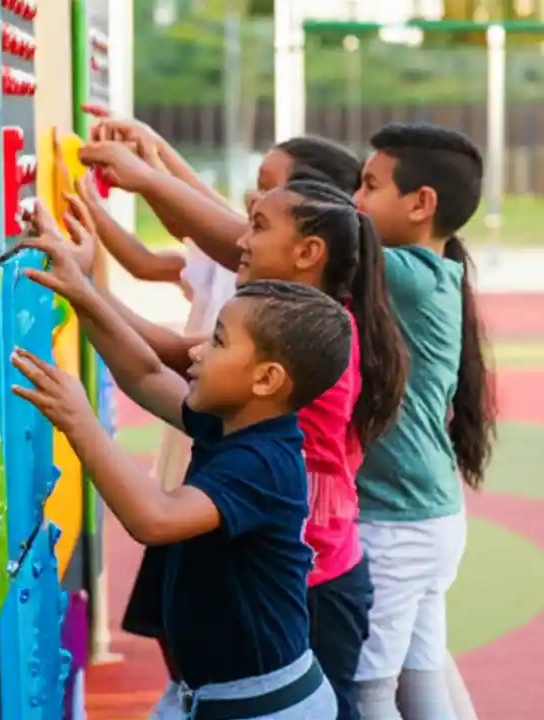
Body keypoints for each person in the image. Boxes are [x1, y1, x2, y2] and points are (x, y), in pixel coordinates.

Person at [75, 130, 407, 719]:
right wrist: (82, 287)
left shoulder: (284, 395)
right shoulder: (272, 351)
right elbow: (154, 370)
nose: (240, 240)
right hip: (267, 552)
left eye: (257, 226)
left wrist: (147, 178)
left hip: (313, 573)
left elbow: (167, 363)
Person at [12, 205, 351, 718]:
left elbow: (156, 517)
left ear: (265, 379)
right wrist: (80, 291)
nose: (194, 353)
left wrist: (79, 420)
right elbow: (146, 374)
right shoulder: (234, 421)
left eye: (216, 342)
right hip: (216, 697)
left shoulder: (264, 462)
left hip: (262, 708)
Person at [350, 123, 496, 720]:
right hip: (428, 516)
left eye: (369, 186)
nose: (356, 201)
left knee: (369, 690)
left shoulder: (404, 273)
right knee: (418, 675)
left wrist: (153, 172)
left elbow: (262, 242)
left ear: (421, 204)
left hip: (394, 526)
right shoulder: (434, 272)